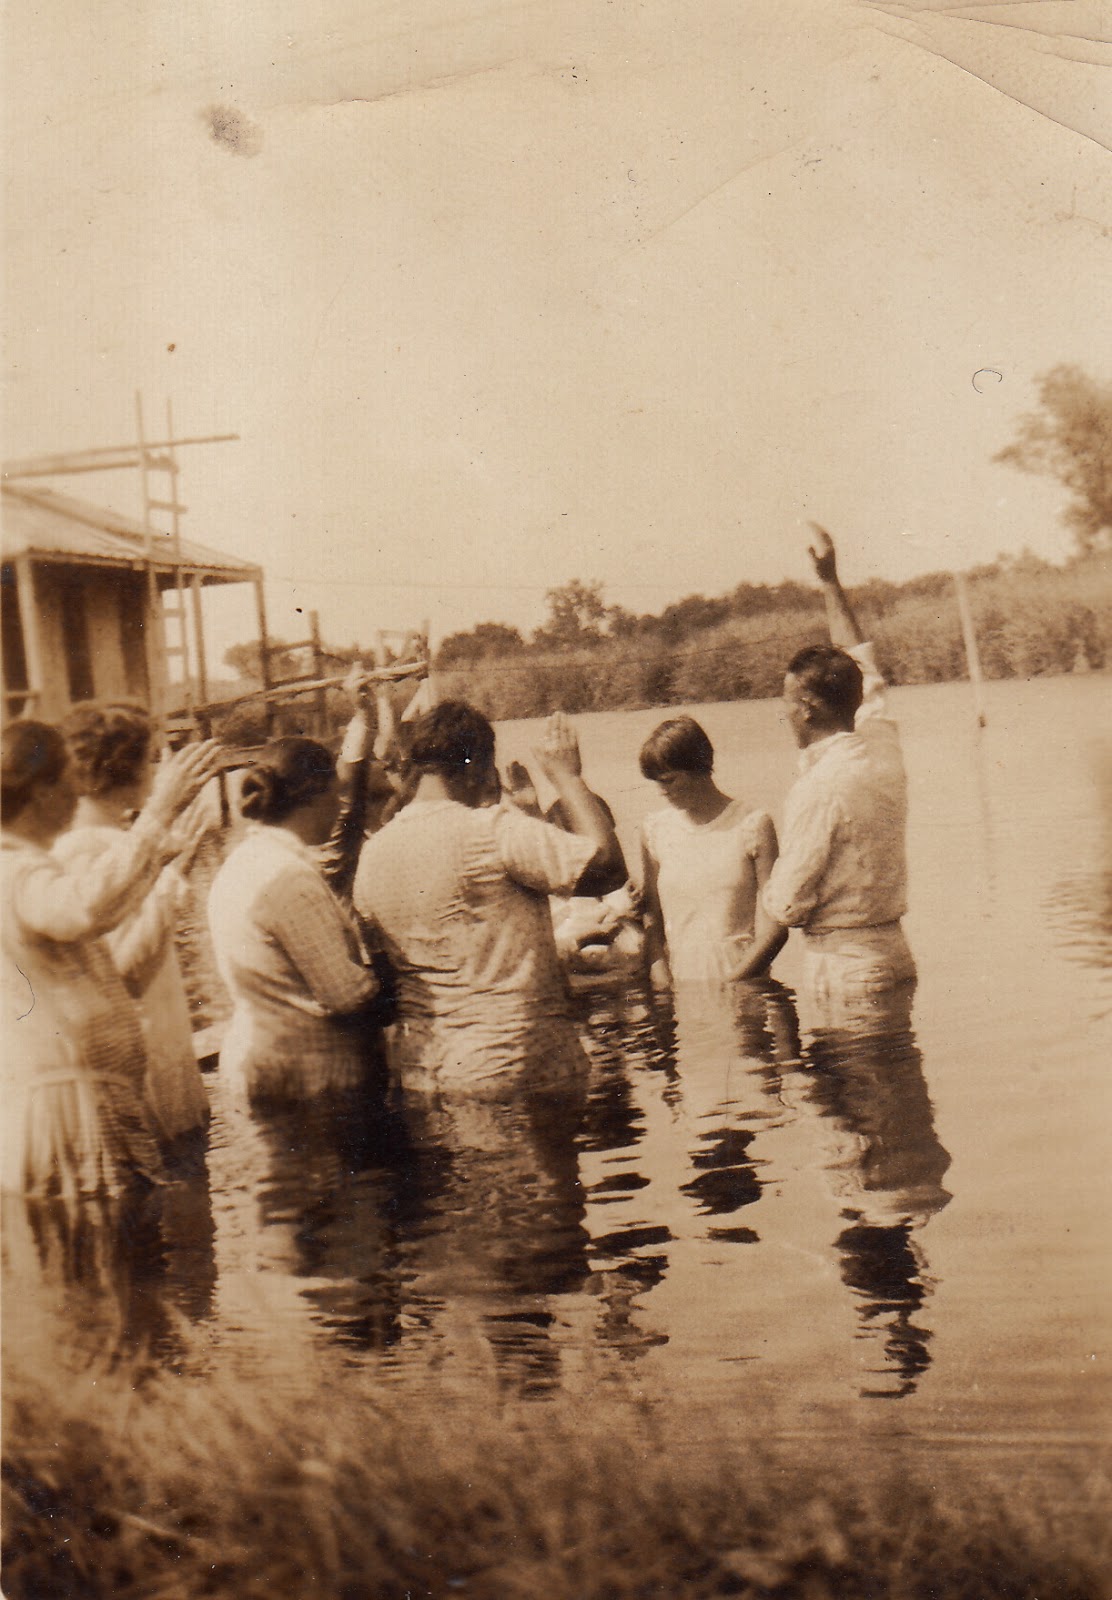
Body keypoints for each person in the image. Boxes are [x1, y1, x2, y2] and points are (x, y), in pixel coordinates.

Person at [351, 702, 626, 1092]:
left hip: (426, 1073)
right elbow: (609, 868)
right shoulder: (494, 831)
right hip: (520, 1066)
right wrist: (567, 777)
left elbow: (385, 983)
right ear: (477, 767)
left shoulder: (372, 855)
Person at [1, 722, 222, 1197]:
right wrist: (158, 814)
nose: (78, 792)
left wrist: (161, 854)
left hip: (87, 1105)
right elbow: (83, 908)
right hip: (69, 1114)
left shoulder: (24, 866)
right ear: (42, 792)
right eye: (69, 780)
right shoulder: (13, 870)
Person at [737, 525, 916, 1012]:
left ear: (807, 708)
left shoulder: (819, 786)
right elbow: (864, 667)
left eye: (787, 702)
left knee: (850, 1063)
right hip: (892, 950)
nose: (785, 712)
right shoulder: (881, 746)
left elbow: (788, 901)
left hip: (847, 964)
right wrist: (830, 581)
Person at [53, 702, 213, 1145]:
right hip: (144, 1063)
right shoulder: (89, 848)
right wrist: (171, 878)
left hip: (153, 1047)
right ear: (127, 769)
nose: (156, 772)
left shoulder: (109, 844)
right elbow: (124, 971)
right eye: (150, 759)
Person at [207, 737, 383, 1104]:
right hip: (304, 1077)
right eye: (336, 793)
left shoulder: (241, 861)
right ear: (314, 796)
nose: (340, 806)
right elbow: (346, 995)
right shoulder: (289, 877)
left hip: (260, 1058)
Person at [638, 716, 783, 986]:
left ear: (699, 768)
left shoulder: (752, 824)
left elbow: (774, 931)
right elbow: (652, 923)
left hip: (742, 979)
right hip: (680, 983)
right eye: (656, 782)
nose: (661, 791)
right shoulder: (654, 830)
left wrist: (731, 985)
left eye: (669, 780)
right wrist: (665, 987)